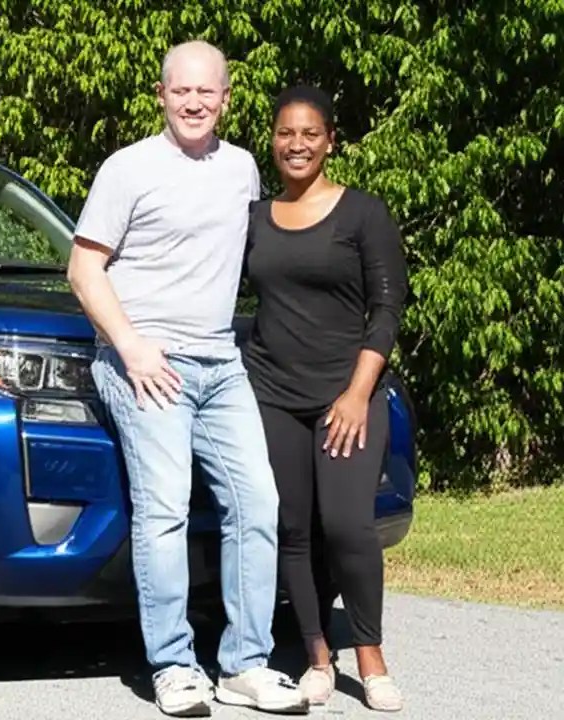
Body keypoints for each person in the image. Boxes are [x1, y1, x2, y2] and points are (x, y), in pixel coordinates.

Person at [68, 40, 308, 717]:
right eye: (182, 92)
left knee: (258, 505)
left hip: (220, 363)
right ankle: (174, 664)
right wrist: (133, 349)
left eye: (208, 92)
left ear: (227, 98)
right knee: (166, 507)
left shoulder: (242, 169)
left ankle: (245, 664)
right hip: (144, 363)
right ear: (162, 95)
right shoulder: (128, 169)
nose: (195, 103)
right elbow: (84, 271)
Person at [240, 84, 408, 712]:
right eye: (286, 133)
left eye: (310, 133)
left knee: (347, 525)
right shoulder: (254, 217)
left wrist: (359, 392)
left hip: (347, 394)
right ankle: (315, 654)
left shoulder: (363, 212)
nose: (297, 144)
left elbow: (386, 308)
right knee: (291, 526)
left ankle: (371, 657)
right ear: (273, 141)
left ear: (331, 141)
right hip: (273, 393)